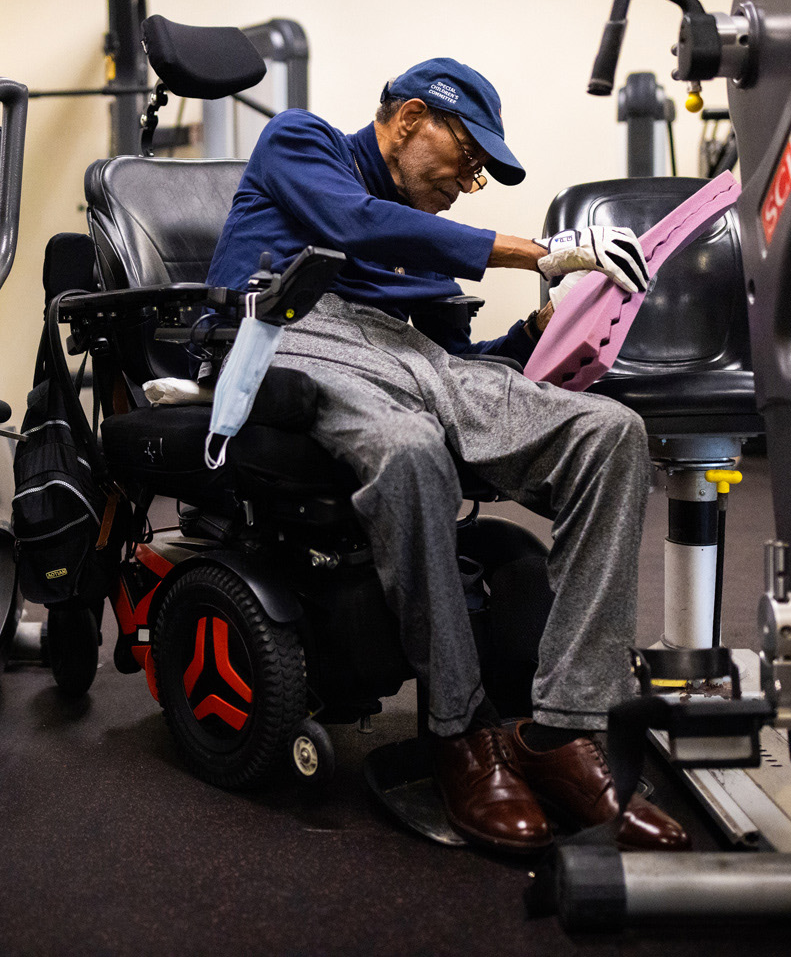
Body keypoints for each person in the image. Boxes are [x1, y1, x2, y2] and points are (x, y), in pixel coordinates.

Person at [206, 59, 687, 853]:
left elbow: (456, 365)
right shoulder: (302, 144)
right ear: (407, 120)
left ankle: (565, 728)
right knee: (411, 449)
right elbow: (356, 222)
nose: (467, 183)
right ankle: (458, 733)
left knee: (609, 433)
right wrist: (541, 252)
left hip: (411, 358)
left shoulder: (425, 250)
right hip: (294, 335)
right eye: (466, 158)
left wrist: (540, 334)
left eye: (477, 176)